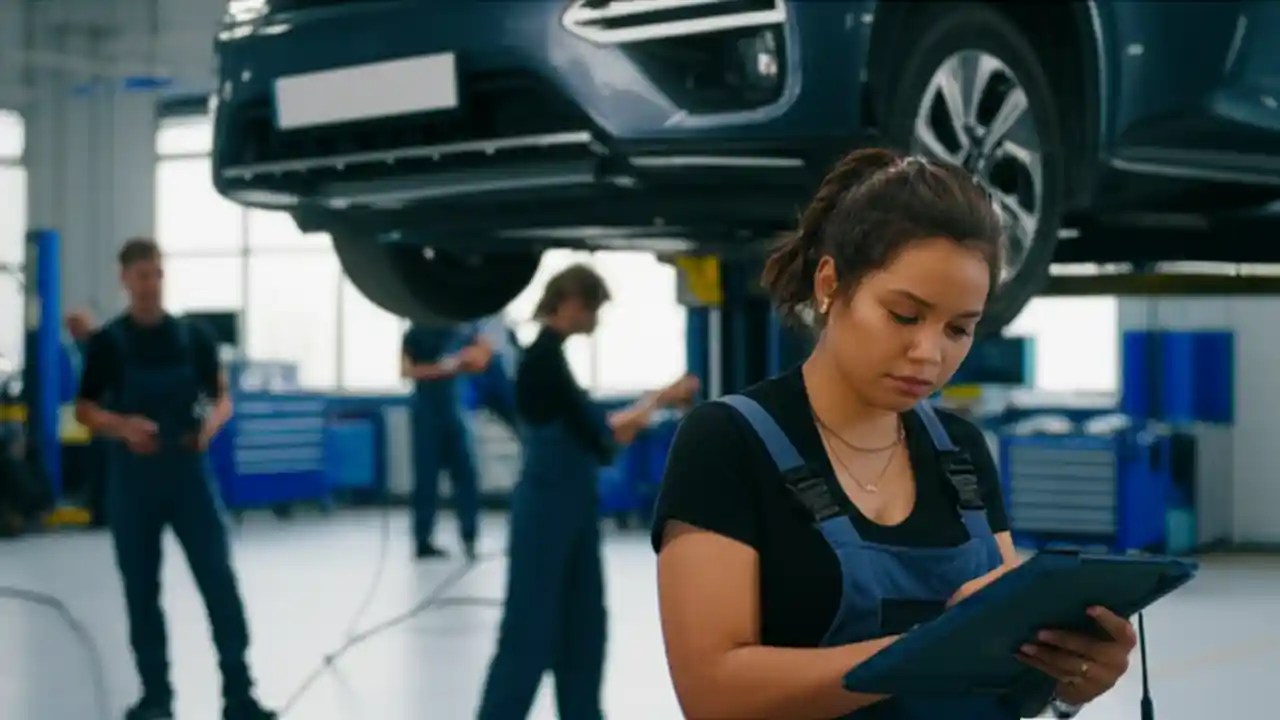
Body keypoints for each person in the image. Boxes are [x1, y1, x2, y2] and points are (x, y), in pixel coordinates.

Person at [651, 149, 1138, 719]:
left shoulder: (962, 452)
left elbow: (1005, 673)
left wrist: (1065, 678)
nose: (928, 354)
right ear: (830, 283)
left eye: (959, 329)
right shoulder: (727, 443)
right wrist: (935, 646)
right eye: (905, 316)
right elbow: (713, 693)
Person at [477, 264, 699, 720]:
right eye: (594, 309)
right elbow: (602, 434)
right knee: (530, 632)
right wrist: (660, 398)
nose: (596, 319)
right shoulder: (541, 359)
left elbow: (591, 426)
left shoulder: (549, 357)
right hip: (546, 510)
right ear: (574, 304)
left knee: (584, 629)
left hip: (572, 510)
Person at [75, 238, 275, 720]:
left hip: (190, 476)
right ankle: (156, 699)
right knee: (142, 591)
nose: (151, 285)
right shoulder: (109, 343)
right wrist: (123, 427)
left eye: (157, 274)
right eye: (142, 276)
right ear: (125, 280)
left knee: (218, 581)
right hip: (134, 480)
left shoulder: (193, 338)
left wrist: (210, 423)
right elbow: (84, 409)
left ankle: (239, 694)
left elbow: (220, 396)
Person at [401, 320, 493, 560]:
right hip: (426, 412)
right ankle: (423, 541)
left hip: (456, 411)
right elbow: (407, 371)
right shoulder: (416, 332)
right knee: (426, 478)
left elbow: (482, 359)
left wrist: (467, 359)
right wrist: (446, 367)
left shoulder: (464, 329)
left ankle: (470, 536)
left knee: (467, 476)